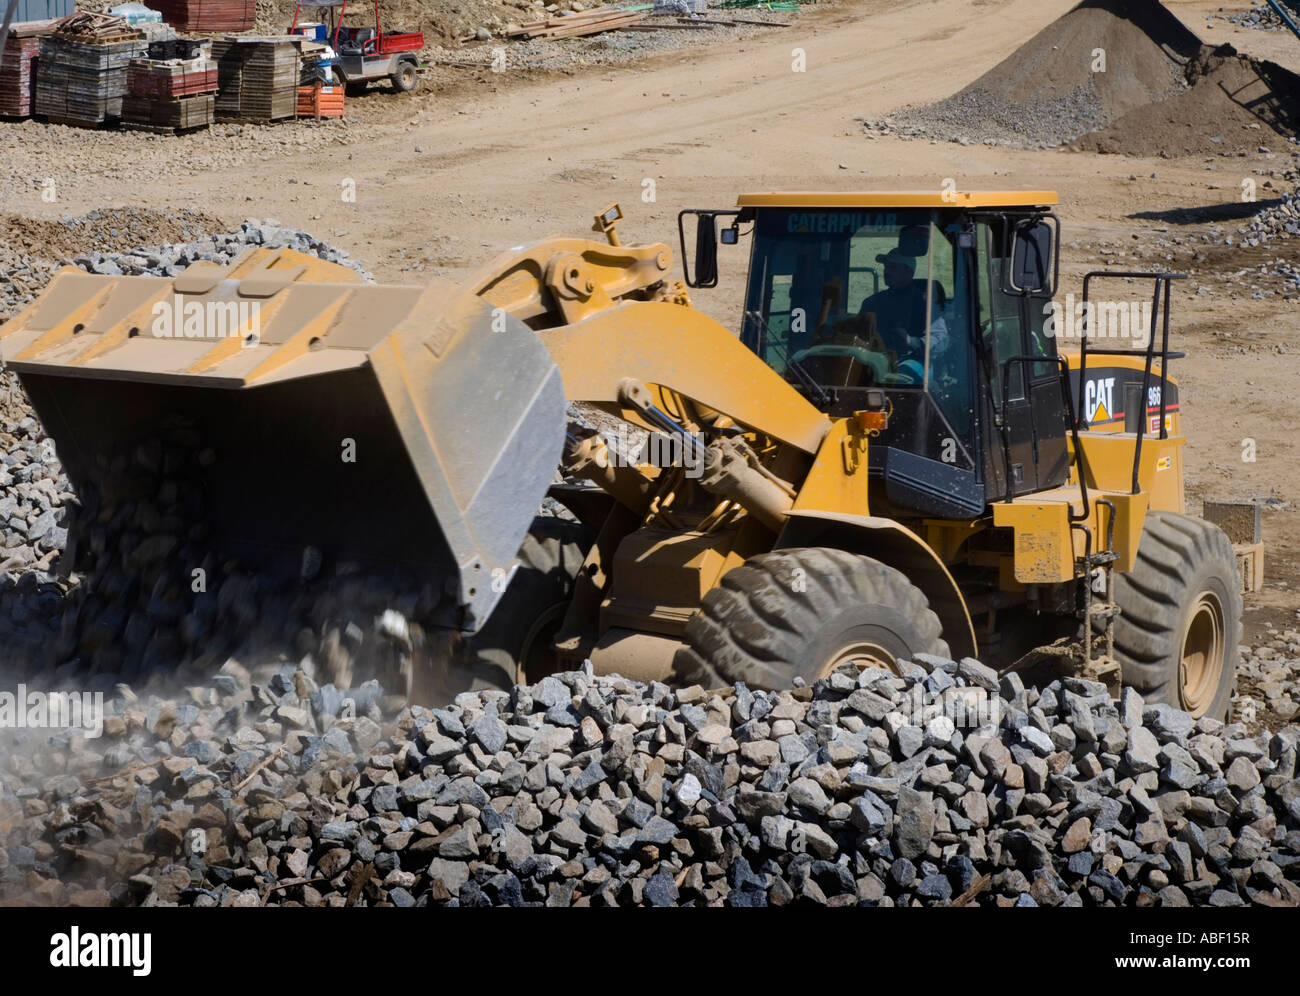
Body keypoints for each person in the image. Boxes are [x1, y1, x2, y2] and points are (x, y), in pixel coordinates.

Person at [858, 248, 948, 378]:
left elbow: (941, 338)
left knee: (902, 376)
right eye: (886, 267)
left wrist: (911, 341)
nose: (886, 271)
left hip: (912, 360)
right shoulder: (871, 302)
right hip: (876, 360)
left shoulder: (924, 303)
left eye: (893, 267)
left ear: (909, 272)